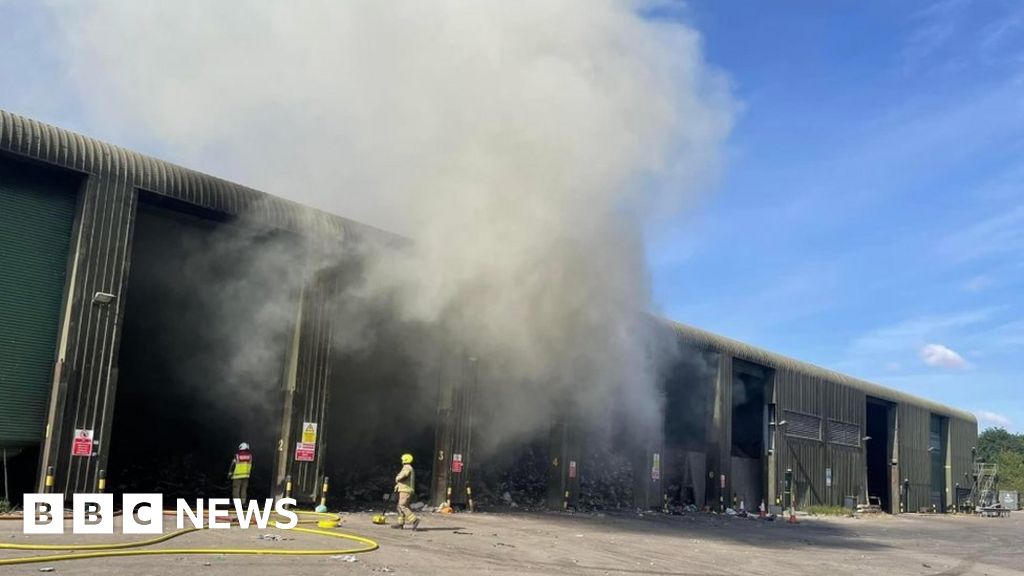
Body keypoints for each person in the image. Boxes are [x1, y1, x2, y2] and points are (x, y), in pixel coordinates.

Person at [392, 452, 420, 530]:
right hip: (404, 489)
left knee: (402, 506)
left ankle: (414, 520)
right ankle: (400, 523)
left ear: (405, 459)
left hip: (405, 490)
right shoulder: (408, 467)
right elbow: (404, 480)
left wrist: (397, 478)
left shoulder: (407, 467)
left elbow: (404, 475)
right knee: (399, 507)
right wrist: (398, 486)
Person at [228, 442, 253, 507]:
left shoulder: (237, 456)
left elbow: (233, 465)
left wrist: (230, 473)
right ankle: (243, 503)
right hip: (246, 476)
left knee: (236, 489)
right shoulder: (250, 456)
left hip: (237, 476)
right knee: (244, 489)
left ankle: (237, 504)